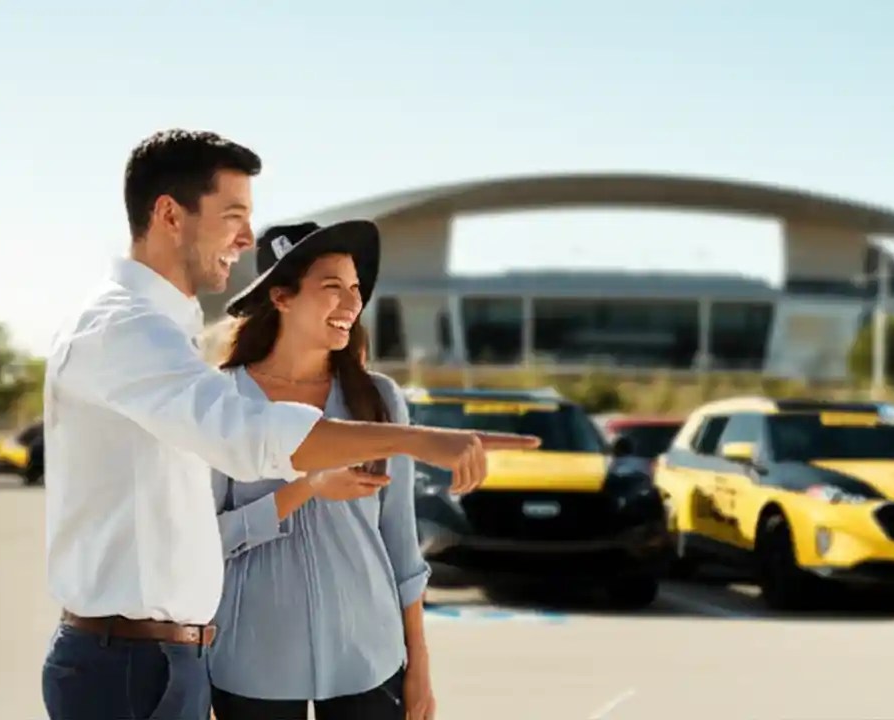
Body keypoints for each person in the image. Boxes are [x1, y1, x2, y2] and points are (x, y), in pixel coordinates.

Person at [40, 129, 538, 720]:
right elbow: (249, 436)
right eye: (233, 216)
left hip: (178, 659)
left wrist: (417, 664)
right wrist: (415, 442)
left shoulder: (168, 339)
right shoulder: (127, 331)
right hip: (140, 662)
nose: (246, 237)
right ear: (170, 214)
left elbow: (397, 549)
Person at [206, 219, 434, 719]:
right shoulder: (222, 400)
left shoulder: (378, 400)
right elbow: (202, 542)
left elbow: (401, 541)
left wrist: (419, 666)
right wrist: (307, 487)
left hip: (370, 661)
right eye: (333, 287)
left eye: (355, 289)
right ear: (282, 297)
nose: (352, 303)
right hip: (251, 664)